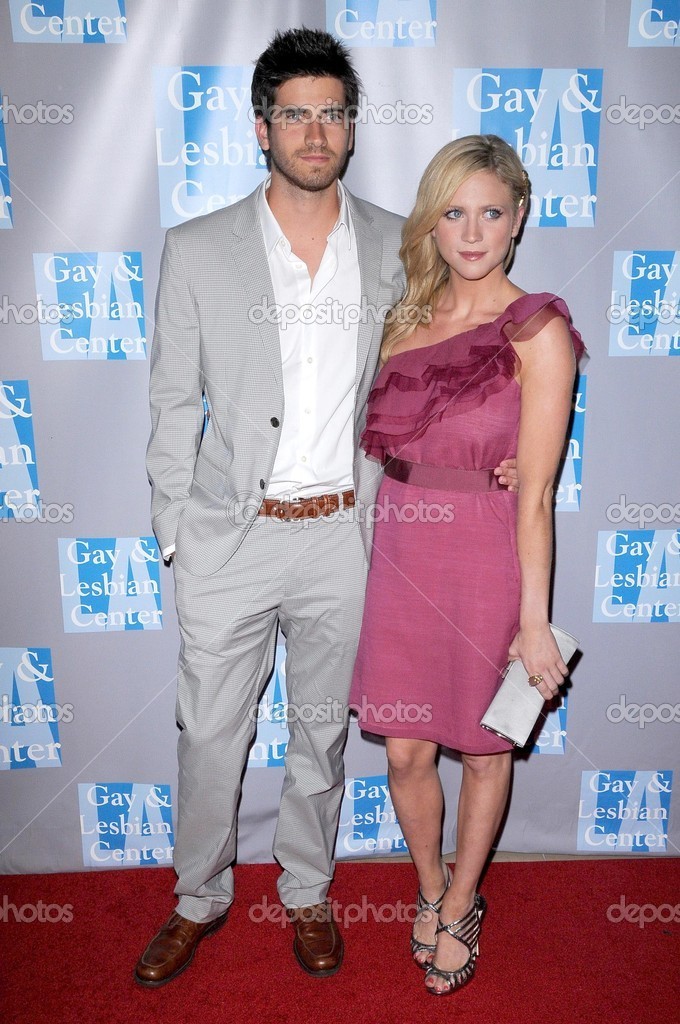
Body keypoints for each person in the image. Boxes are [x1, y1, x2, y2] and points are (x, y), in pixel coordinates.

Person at [137, 30, 518, 988]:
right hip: (231, 538)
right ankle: (197, 897)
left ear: (352, 129)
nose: (316, 131)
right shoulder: (195, 249)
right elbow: (173, 402)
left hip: (352, 540)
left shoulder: (401, 243)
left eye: (333, 112)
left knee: (322, 730)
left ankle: (307, 890)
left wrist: (508, 456)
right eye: (297, 112)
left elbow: (454, 352)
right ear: (263, 126)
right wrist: (176, 529)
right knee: (210, 734)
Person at [349, 134, 584, 996]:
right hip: (405, 545)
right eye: (455, 212)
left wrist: (533, 617)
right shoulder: (404, 317)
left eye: (492, 211)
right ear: (433, 223)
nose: (474, 231)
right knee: (407, 752)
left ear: (519, 219)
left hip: (487, 551)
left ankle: (462, 901)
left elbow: (536, 492)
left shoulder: (540, 328)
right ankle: (426, 884)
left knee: (485, 751)